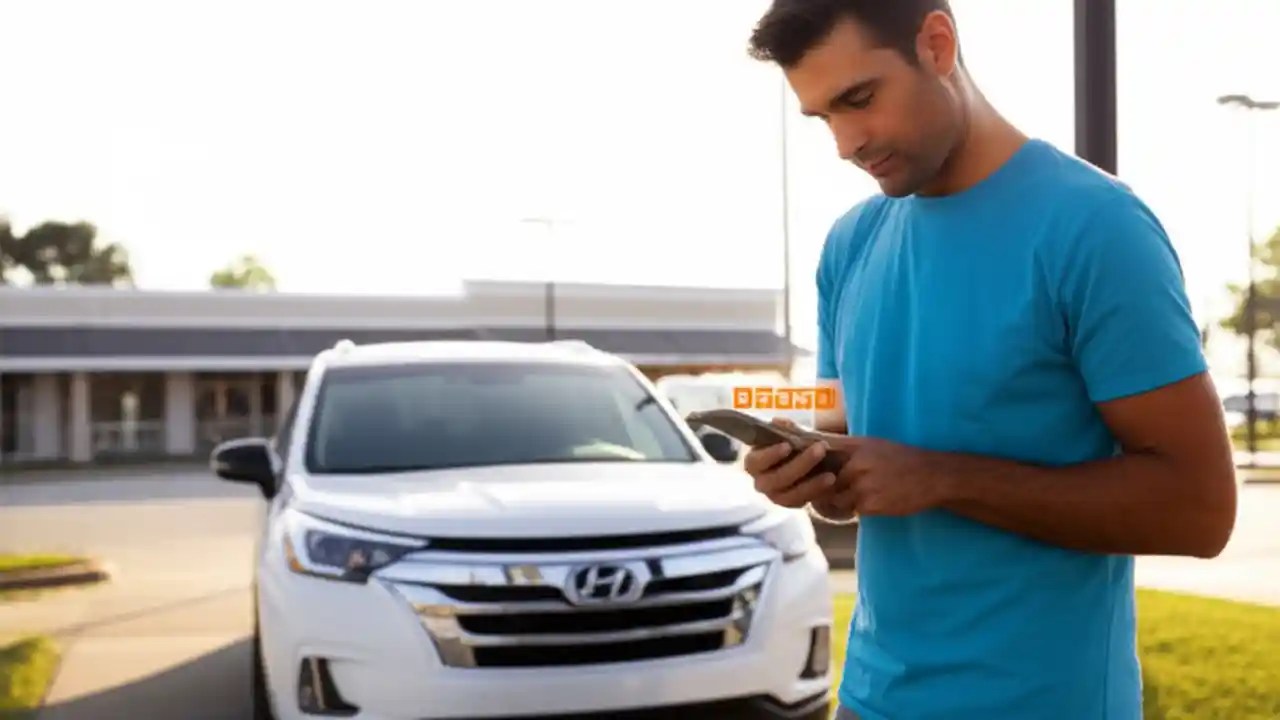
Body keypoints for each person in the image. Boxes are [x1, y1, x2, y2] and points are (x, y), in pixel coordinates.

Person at [742, 2, 1239, 719]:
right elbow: (855, 467)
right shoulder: (848, 245)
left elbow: (1199, 512)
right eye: (822, 116)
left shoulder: (1096, 228)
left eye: (860, 98)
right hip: (871, 697)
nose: (846, 143)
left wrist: (942, 478)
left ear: (937, 44)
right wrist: (811, 476)